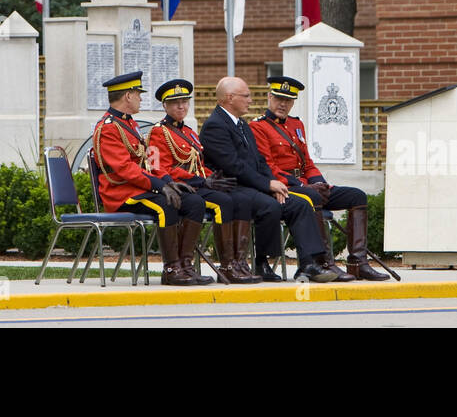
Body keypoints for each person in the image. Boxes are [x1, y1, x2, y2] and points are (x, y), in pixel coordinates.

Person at [199, 75, 339, 283]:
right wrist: (267, 184)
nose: (250, 100)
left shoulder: (242, 125)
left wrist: (274, 184)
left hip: (252, 185)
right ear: (229, 98)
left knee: (298, 204)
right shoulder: (215, 126)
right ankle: (261, 261)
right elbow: (233, 166)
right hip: (232, 187)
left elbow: (259, 161)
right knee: (269, 206)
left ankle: (309, 264)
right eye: (246, 96)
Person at [251, 76, 389, 281]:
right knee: (312, 196)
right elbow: (268, 166)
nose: (283, 104)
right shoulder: (259, 127)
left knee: (356, 196)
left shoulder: (296, 125)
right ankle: (322, 262)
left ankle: (358, 263)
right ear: (269, 97)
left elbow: (307, 161)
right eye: (279, 98)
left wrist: (319, 182)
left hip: (307, 184)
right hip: (285, 187)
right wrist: (303, 184)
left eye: (288, 100)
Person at [90, 72, 209, 286]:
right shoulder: (108, 127)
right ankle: (171, 269)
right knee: (167, 206)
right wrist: (160, 187)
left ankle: (186, 265)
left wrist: (167, 180)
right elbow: (125, 169)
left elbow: (150, 160)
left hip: (141, 188)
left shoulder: (129, 124)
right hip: (122, 193)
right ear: (128, 96)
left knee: (195, 203)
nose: (140, 99)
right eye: (137, 94)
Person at [144, 78, 260, 284]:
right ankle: (191, 265)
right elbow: (161, 168)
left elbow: (198, 164)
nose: (181, 106)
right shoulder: (158, 132)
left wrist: (211, 177)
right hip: (184, 187)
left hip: (198, 184)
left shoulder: (188, 132)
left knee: (239, 197)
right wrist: (201, 182)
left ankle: (235, 263)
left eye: (184, 102)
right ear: (165, 106)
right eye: (174, 103)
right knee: (223, 201)